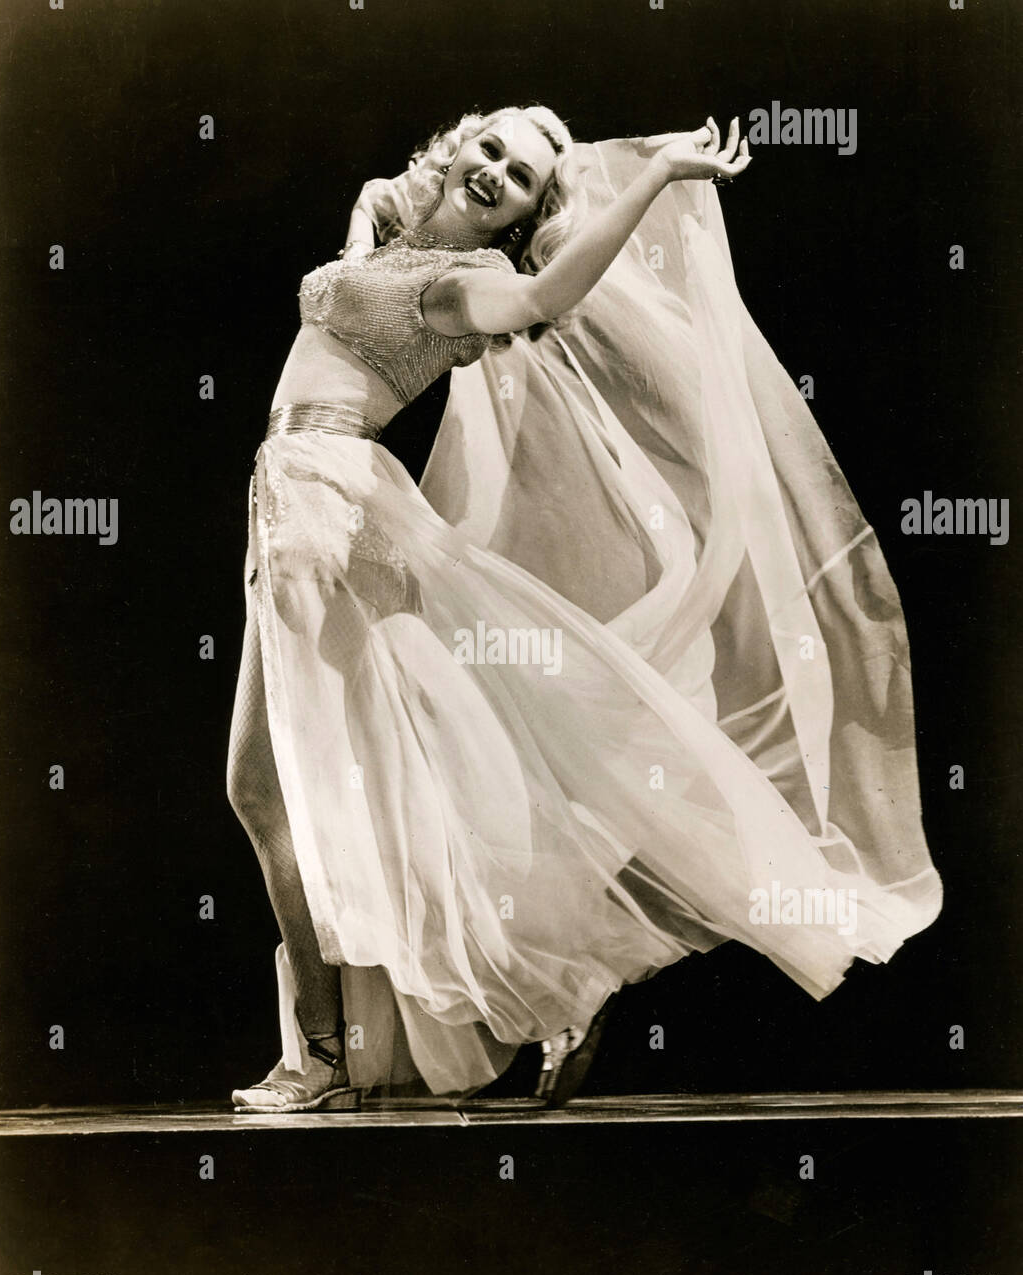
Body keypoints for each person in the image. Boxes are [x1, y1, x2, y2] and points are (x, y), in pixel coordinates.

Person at [228, 105, 941, 1113]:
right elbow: (355, 261)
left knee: (320, 793)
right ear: (453, 144)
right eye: (491, 149)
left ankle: (340, 1052)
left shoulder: (465, 283)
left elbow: (542, 294)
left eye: (520, 178)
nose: (497, 173)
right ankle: (376, 1036)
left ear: (522, 213)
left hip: (329, 512)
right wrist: (373, 213)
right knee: (265, 788)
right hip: (291, 495)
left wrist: (654, 178)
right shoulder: (393, 243)